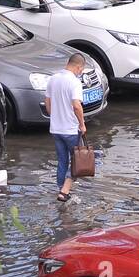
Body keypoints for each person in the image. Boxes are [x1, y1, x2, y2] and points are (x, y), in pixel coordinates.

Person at [43, 53, 88, 203]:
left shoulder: (53, 79)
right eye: (81, 70)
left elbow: (47, 103)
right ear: (78, 66)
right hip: (70, 130)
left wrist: (55, 116)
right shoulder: (74, 82)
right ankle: (65, 191)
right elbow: (77, 106)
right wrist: (82, 124)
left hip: (56, 129)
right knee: (78, 162)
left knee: (62, 161)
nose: (80, 72)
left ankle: (61, 190)